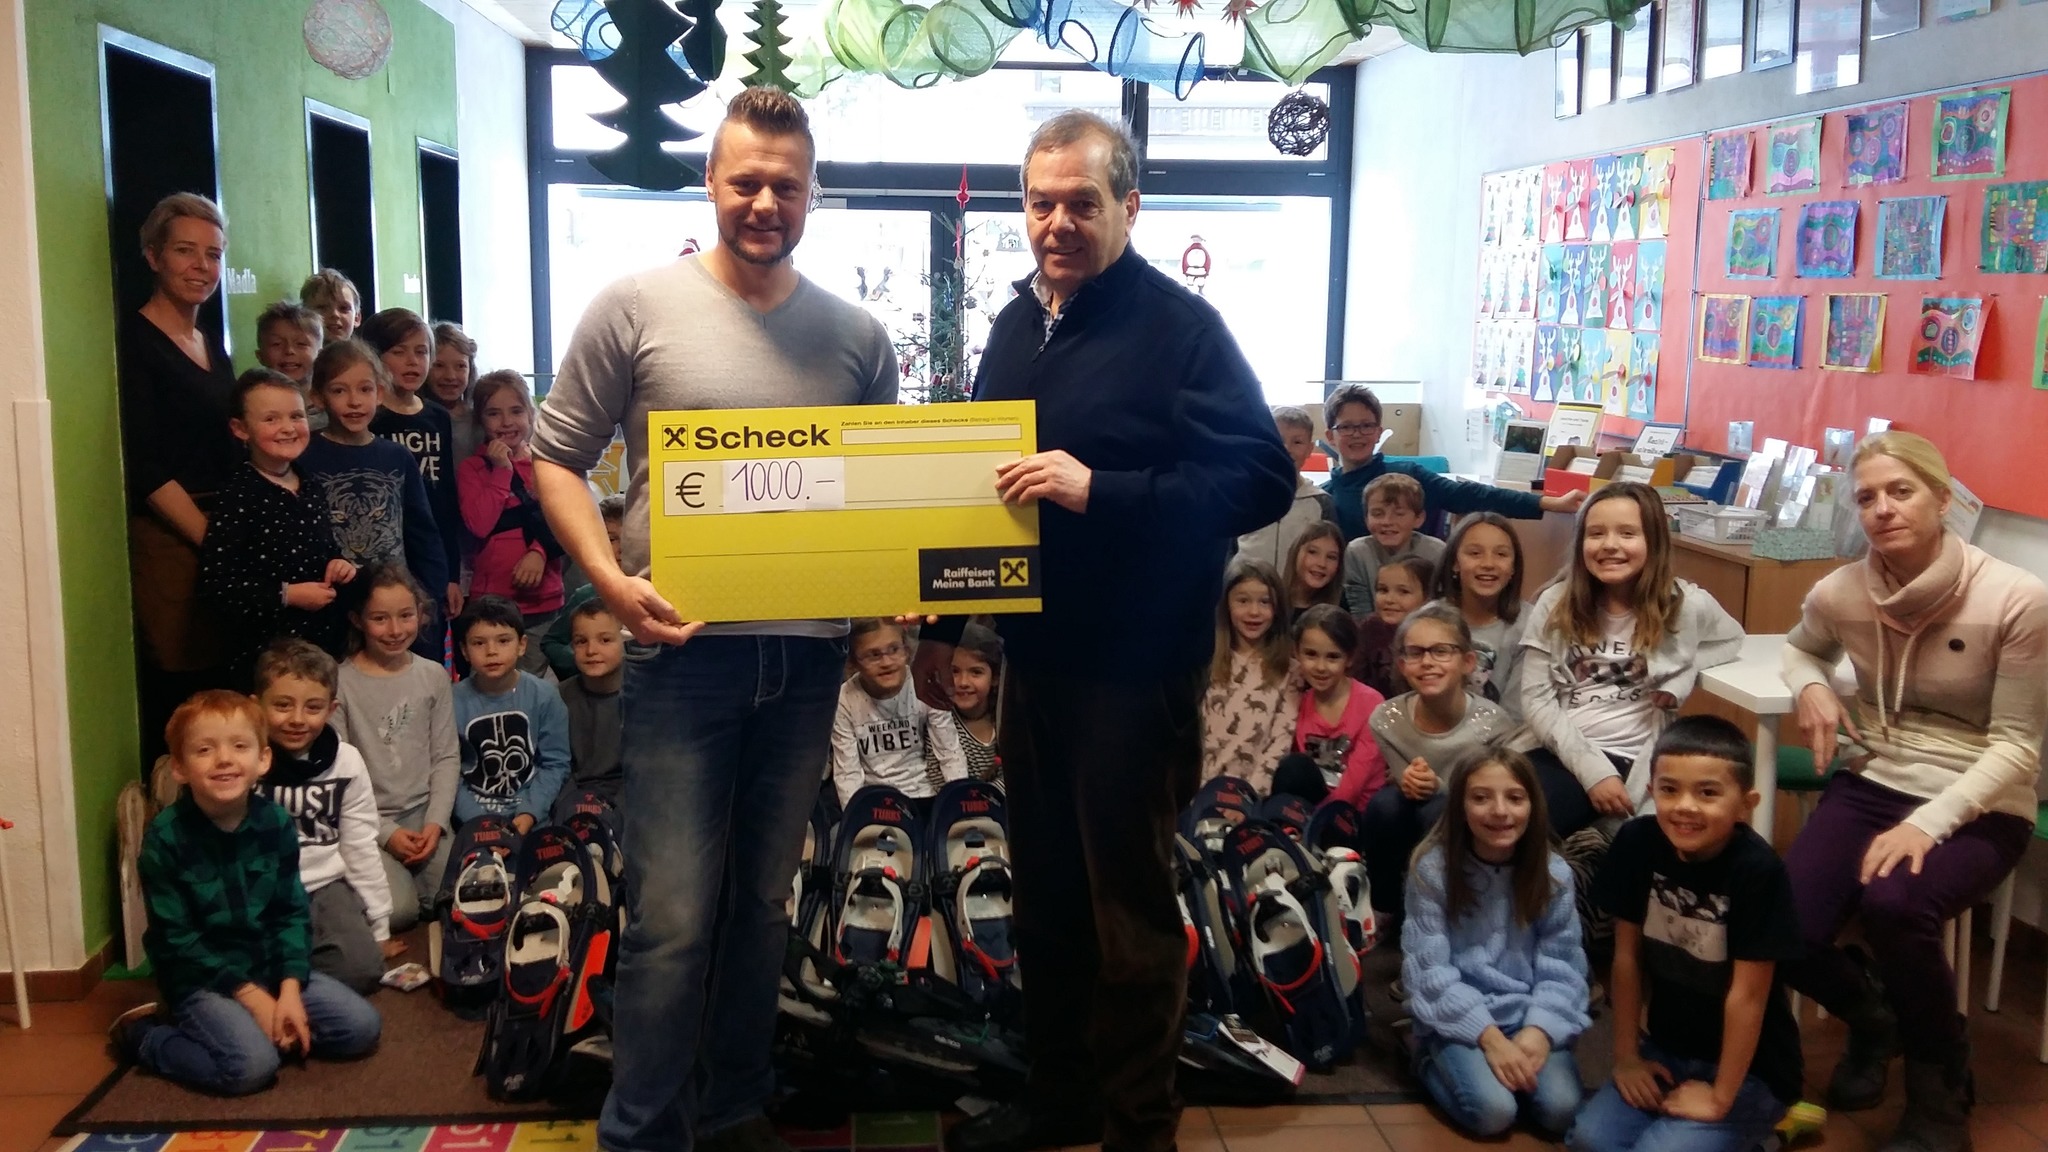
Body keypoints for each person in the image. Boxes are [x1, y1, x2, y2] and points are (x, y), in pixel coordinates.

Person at [912, 110, 1295, 1152]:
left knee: (1124, 911)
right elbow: (969, 491)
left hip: (1136, 672)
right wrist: (947, 626)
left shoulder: (1179, 329)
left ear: (1129, 205)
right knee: (1043, 898)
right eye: (1040, 203)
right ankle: (1061, 1098)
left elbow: (1263, 476)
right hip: (1035, 661)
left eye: (1082, 202)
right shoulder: (1014, 323)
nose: (1057, 223)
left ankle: (1139, 1128)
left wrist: (1104, 490)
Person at [529, 87, 897, 1152]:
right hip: (680, 662)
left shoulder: (856, 336)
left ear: (813, 193)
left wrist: (914, 572)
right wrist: (605, 576)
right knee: (673, 921)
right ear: (711, 183)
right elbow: (554, 459)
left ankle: (733, 1110)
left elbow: (882, 493)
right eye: (745, 181)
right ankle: (640, 1131)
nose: (764, 201)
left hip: (806, 661)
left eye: (786, 184)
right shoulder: (634, 306)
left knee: (761, 911)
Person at [1780, 432, 2046, 1151]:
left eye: (1901, 491)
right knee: (1784, 922)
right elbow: (1800, 646)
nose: (1883, 509)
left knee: (1894, 903)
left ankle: (1940, 1079)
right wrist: (1810, 686)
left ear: (1944, 497)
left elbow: (2019, 746)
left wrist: (1929, 825)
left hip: (1983, 795)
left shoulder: (2018, 598)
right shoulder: (1840, 592)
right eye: (1867, 497)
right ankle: (1877, 1020)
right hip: (1880, 777)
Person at [113, 690, 381, 1095]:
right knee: (251, 1068)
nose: (224, 759)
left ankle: (263, 1027)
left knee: (361, 1028)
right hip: (203, 979)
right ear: (181, 769)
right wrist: (255, 1001)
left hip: (269, 967)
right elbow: (178, 941)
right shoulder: (165, 839)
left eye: (239, 746)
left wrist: (289, 990)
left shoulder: (274, 822)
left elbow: (291, 913)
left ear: (263, 760)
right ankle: (149, 1037)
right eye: (205, 750)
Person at [1571, 717, 1803, 1152]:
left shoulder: (1758, 871)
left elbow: (1747, 997)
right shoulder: (1638, 842)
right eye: (1669, 789)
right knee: (1589, 1141)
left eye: (1708, 793)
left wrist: (1720, 1098)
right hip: (1668, 1050)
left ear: (1746, 803)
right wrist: (1626, 1059)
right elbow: (1626, 960)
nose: (1685, 807)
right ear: (1650, 790)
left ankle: (1767, 1130)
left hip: (1753, 1070)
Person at [1514, 483, 1742, 839]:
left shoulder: (1685, 604)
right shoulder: (1555, 602)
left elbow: (1732, 638)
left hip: (1633, 757)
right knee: (1484, 814)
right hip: (1561, 749)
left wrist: (1683, 675)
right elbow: (1536, 698)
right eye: (1596, 533)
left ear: (1653, 541)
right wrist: (1593, 771)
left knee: (1530, 827)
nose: (1609, 545)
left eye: (1627, 533)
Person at [1403, 747, 1587, 1139]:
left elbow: (1564, 965)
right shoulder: (1432, 870)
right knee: (1493, 1113)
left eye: (1515, 798)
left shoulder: (1554, 874)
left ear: (1533, 806)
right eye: (1481, 797)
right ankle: (1424, 1054)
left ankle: (1500, 1068)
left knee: (1560, 1110)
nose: (1499, 811)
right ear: (1460, 807)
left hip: (1526, 1013)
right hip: (1457, 1018)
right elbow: (1429, 970)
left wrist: (1539, 1029)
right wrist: (1489, 1040)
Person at [120, 192, 240, 762]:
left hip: (222, 530)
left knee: (228, 685)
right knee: (183, 689)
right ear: (153, 257)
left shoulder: (210, 345)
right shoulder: (136, 343)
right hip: (173, 536)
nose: (201, 267)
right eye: (186, 252)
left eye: (213, 255)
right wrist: (210, 539)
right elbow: (145, 463)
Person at [253, 639, 395, 993]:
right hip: (259, 889)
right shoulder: (244, 760)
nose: (297, 719)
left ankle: (287, 978)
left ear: (331, 709)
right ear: (256, 707)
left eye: (313, 707)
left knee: (363, 971)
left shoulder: (346, 761)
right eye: (282, 705)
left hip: (323, 886)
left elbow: (359, 844)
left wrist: (379, 925)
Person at [198, 369, 356, 680]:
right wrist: (288, 594)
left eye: (296, 416)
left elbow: (326, 549)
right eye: (271, 419)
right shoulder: (239, 494)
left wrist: (339, 564)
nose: (287, 428)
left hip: (320, 649)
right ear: (241, 429)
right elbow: (217, 586)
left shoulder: (310, 485)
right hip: (266, 657)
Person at [1363, 603, 1513, 925]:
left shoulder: (1494, 724)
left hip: (1467, 818)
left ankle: (1443, 912)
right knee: (1384, 805)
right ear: (1402, 664)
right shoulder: (1386, 719)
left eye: (1441, 651)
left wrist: (1440, 788)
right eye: (1415, 653)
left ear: (1467, 662)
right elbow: (1403, 781)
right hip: (1407, 811)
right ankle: (1385, 906)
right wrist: (1409, 780)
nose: (1427, 662)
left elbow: (1488, 794)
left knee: (1437, 809)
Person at [332, 563, 459, 934]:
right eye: (380, 619)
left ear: (420, 614)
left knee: (456, 897)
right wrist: (386, 833)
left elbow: (447, 756)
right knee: (397, 913)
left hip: (425, 816)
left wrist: (436, 823)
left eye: (406, 616)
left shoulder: (432, 674)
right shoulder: (340, 683)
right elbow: (337, 775)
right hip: (366, 821)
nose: (395, 630)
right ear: (358, 619)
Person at [297, 341, 451, 618]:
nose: (354, 401)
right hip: (330, 604)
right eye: (339, 390)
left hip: (391, 603)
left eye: (365, 389)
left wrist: (431, 595)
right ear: (318, 397)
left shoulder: (397, 457)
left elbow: (423, 533)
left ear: (379, 393)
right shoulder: (304, 457)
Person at [1321, 384, 1582, 545]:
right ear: (1330, 436)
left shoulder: (1406, 477)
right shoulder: (1325, 496)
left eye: (1366, 426)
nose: (1357, 434)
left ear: (1379, 431)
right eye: (1346, 427)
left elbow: (1471, 495)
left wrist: (1550, 503)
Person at [364, 309, 463, 625]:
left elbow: (446, 498)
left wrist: (451, 573)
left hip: (430, 551)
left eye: (421, 352)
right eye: (399, 352)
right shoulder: (370, 417)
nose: (412, 361)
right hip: (384, 551)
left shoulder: (437, 417)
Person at [458, 371, 566, 642]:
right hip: (491, 601)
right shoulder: (472, 469)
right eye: (493, 413)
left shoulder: (546, 465)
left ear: (530, 414)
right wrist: (502, 470)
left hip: (543, 599)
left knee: (534, 677)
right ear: (480, 420)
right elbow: (480, 526)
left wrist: (539, 553)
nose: (506, 422)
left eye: (516, 411)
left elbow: (564, 521)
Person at [451, 596, 571, 834]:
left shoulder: (544, 696)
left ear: (522, 645)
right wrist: (479, 821)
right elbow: (450, 773)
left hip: (533, 816)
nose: (492, 651)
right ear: (464, 650)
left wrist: (529, 813)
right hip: (472, 820)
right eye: (478, 643)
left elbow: (555, 763)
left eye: (503, 640)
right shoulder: (452, 701)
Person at [831, 619, 968, 806]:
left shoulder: (923, 684)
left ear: (907, 650)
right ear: (854, 662)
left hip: (925, 796)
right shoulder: (845, 699)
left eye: (894, 650)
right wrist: (854, 817)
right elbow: (847, 771)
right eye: (873, 655)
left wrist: (959, 806)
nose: (886, 662)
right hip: (875, 801)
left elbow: (949, 752)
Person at [1271, 603, 1387, 810]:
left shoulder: (1372, 704)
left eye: (1333, 657)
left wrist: (1320, 820)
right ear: (1296, 653)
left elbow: (1354, 784)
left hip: (1356, 812)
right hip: (1310, 806)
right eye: (1311, 655)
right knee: (1293, 767)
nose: (1321, 667)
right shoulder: (1298, 701)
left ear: (1349, 658)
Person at [1201, 559, 1299, 794]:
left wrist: (1247, 799)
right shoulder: (1206, 660)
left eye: (1265, 602)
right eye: (1243, 601)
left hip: (1250, 797)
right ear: (1226, 605)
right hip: (1198, 794)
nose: (1254, 612)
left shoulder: (1289, 670)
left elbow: (1279, 744)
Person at [1433, 512, 1527, 712]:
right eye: (1475, 553)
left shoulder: (1530, 623)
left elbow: (1517, 713)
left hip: (1507, 738)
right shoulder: (1429, 621)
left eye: (1501, 554)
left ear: (1513, 568)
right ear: (1455, 563)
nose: (1488, 564)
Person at [1235, 405, 1338, 569]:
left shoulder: (1321, 502)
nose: (1287, 449)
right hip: (1251, 590)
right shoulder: (1242, 497)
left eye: (1297, 442)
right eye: (1279, 440)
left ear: (1309, 449)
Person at [540, 494, 628, 680]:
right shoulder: (587, 595)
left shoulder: (661, 593)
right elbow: (552, 642)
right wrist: (583, 660)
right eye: (612, 539)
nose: (622, 548)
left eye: (629, 538)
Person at [1341, 472, 1445, 616]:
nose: (1387, 522)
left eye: (1399, 514)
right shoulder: (1357, 552)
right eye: (1377, 514)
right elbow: (1360, 612)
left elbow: (1440, 609)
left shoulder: (1436, 552)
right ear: (1366, 518)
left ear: (1419, 518)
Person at [556, 599, 627, 808]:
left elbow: (645, 773)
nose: (591, 650)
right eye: (581, 641)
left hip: (629, 806)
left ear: (625, 640)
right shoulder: (558, 698)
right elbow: (555, 766)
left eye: (605, 640)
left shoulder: (643, 697)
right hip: (573, 805)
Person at [1354, 554, 1435, 700]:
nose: (1390, 600)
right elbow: (1356, 682)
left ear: (1428, 597)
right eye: (1383, 590)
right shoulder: (1369, 629)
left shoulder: (1437, 634)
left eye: (1403, 592)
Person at [934, 622, 1005, 787]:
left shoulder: (1004, 721)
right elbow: (938, 782)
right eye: (954, 671)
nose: (963, 682)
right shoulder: (939, 722)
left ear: (995, 677)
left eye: (976, 672)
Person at [254, 301, 325, 428]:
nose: (289, 351)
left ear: (320, 355)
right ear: (260, 355)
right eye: (277, 344)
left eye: (301, 344)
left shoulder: (332, 407)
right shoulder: (252, 409)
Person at [427, 321, 483, 465]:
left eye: (460, 366)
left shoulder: (480, 418)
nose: (450, 376)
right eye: (438, 365)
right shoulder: (415, 419)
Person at [1283, 519, 1345, 616]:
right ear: (1295, 553)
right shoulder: (1271, 603)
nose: (1322, 564)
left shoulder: (1342, 609)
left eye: (1331, 557)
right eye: (1312, 552)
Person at [300, 268, 361, 345]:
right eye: (322, 308)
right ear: (304, 316)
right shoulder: (294, 355)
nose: (334, 314)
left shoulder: (366, 356)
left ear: (357, 318)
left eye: (343, 308)